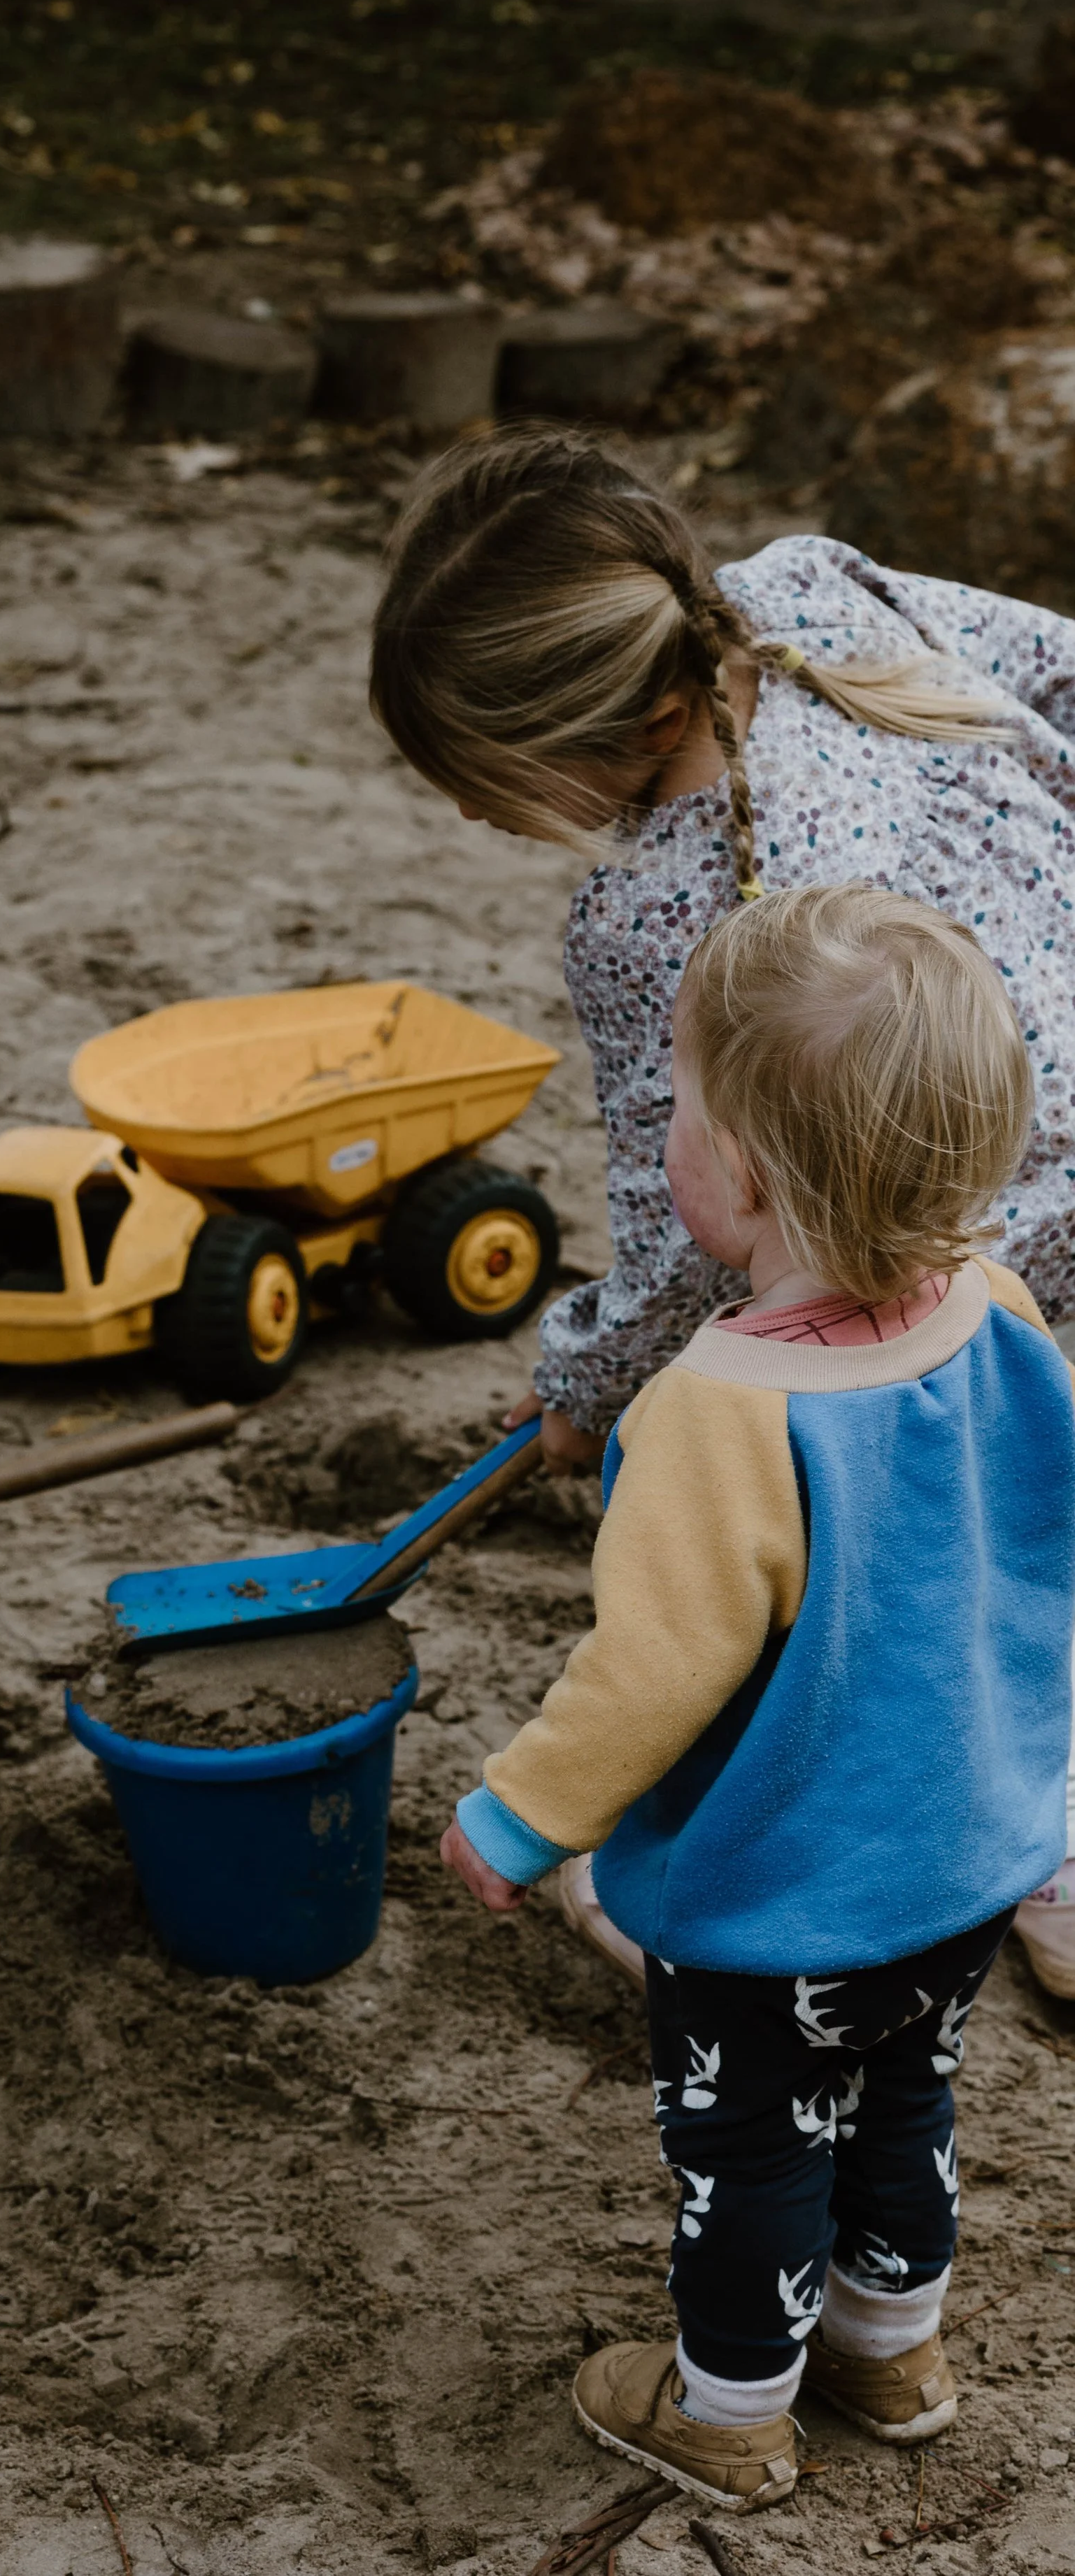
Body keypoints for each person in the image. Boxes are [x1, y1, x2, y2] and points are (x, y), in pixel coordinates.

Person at [371, 428, 1075, 2001]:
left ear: (627, 722)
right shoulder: (807, 588)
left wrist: (587, 1386)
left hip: (964, 1205)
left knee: (834, 1523)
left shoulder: (654, 918)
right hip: (1027, 1136)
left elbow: (688, 1224)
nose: (478, 816)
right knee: (1016, 1492)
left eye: (487, 779)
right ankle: (1044, 1844)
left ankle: (821, 1854)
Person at [437, 883, 1074, 2510]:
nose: (666, 1134)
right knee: (905, 2100)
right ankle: (891, 2351)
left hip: (776, 1901)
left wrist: (516, 1818)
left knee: (752, 2152)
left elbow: (648, 1673)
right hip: (960, 1858)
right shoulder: (998, 1314)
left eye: (678, 1106)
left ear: (743, 1173)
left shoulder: (713, 1416)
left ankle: (725, 2414)